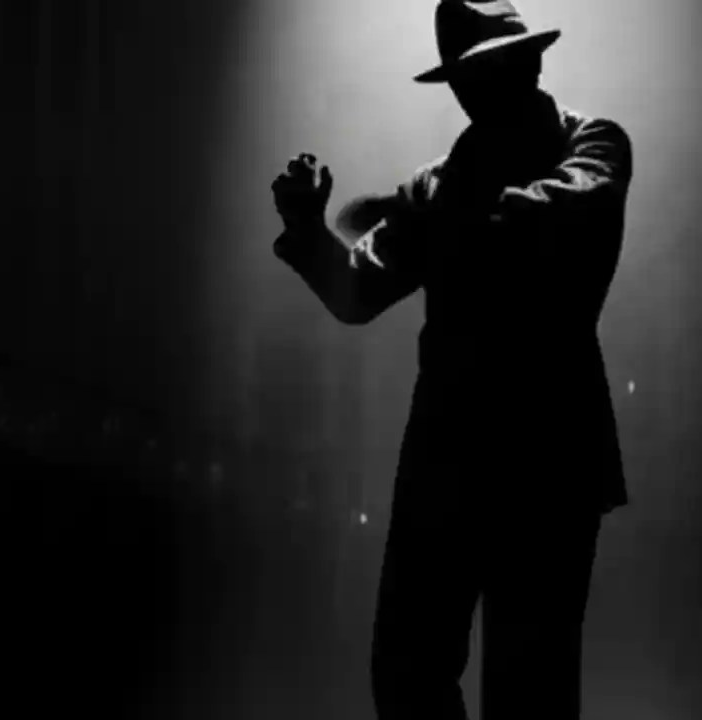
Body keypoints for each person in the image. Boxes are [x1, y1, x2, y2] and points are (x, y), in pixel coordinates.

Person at [270, 2, 633, 717]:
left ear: (527, 63)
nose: (471, 91)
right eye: (465, 77)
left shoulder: (592, 144)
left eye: (481, 70)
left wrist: (413, 221)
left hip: (547, 457)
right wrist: (311, 231)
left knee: (529, 689)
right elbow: (358, 294)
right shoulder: (440, 185)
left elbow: (544, 219)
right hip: (447, 455)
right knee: (407, 669)